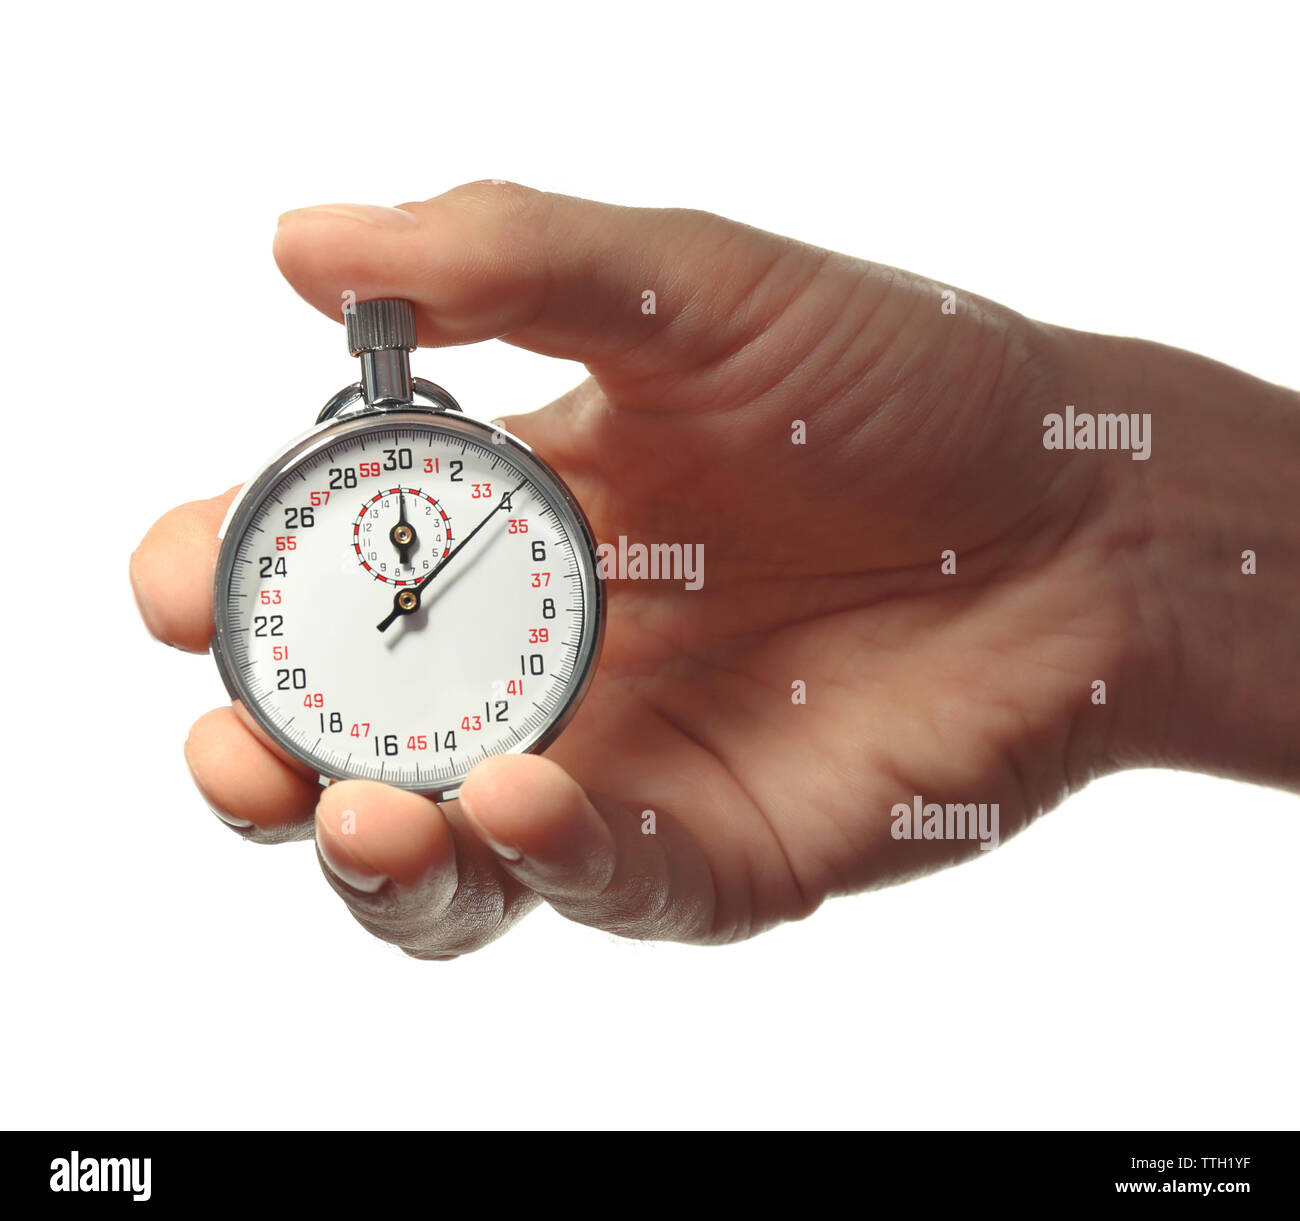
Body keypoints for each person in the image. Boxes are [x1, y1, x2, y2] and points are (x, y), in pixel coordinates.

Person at [129, 183, 1300, 959]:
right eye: (400, 579)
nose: (408, 587)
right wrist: (1118, 539)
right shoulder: (409, 526)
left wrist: (1099, 519)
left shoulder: (516, 510)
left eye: (423, 570)